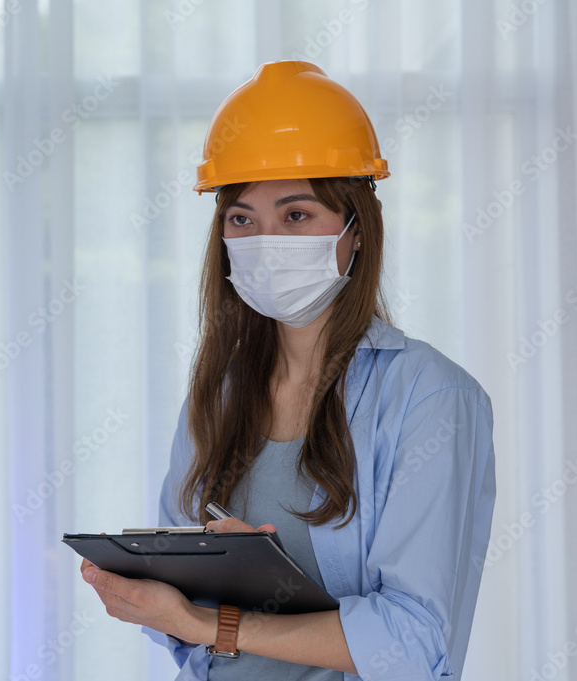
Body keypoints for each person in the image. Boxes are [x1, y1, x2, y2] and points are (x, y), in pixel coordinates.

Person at [79, 61, 496, 680]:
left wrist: (219, 620)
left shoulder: (430, 396)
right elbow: (179, 617)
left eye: (296, 215)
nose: (264, 240)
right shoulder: (217, 395)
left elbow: (414, 641)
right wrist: (216, 585)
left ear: (356, 230)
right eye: (241, 219)